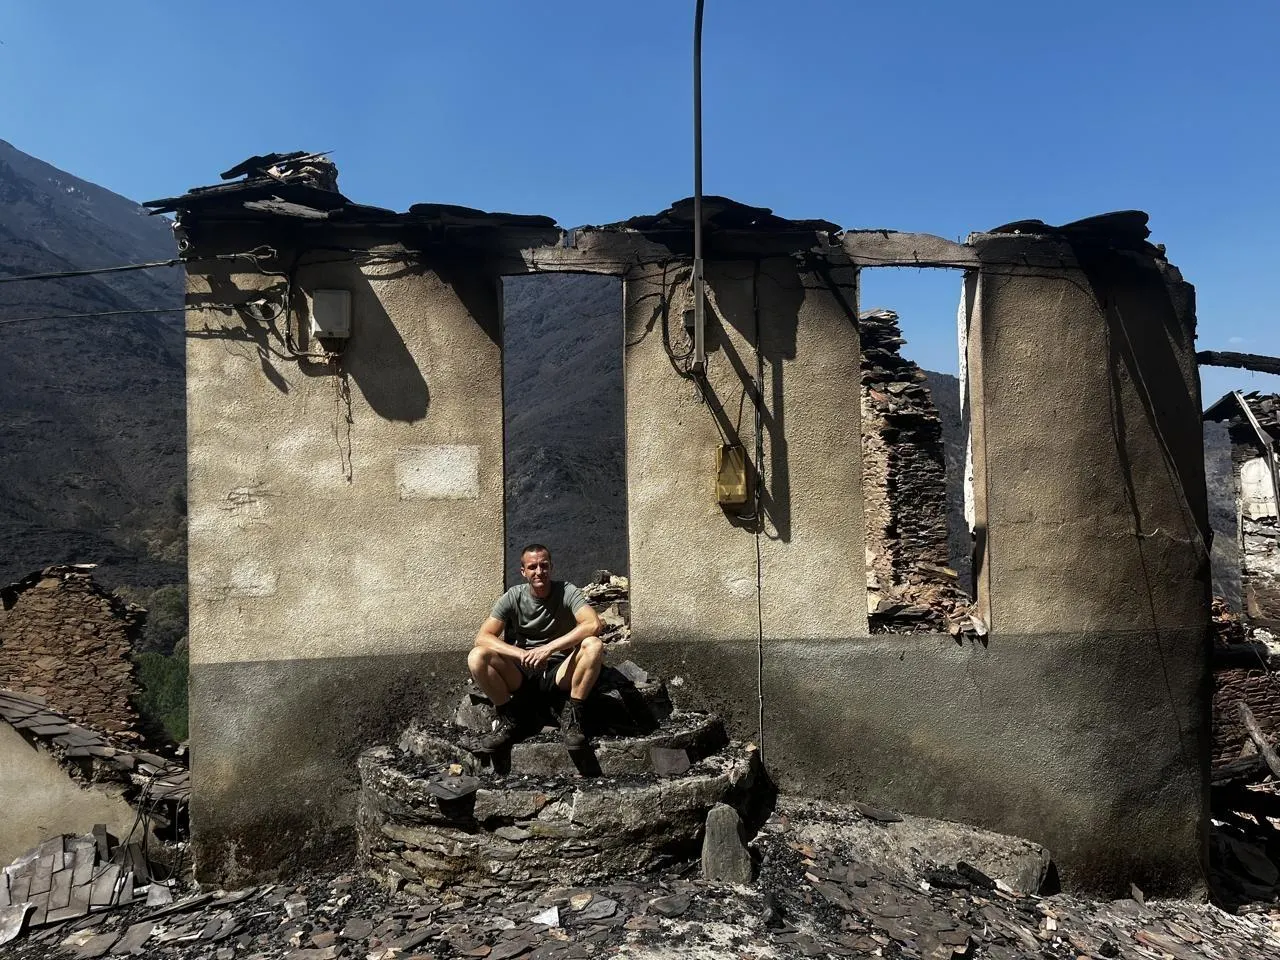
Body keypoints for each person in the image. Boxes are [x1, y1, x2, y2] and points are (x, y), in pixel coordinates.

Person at [467, 543, 603, 751]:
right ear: (523, 571)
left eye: (544, 565)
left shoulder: (567, 591)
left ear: (551, 567)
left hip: (559, 670)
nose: (539, 571)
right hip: (522, 671)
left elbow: (593, 624)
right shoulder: (513, 596)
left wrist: (549, 648)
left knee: (593, 645)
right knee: (477, 656)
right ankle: (509, 720)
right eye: (532, 567)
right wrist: (520, 653)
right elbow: (482, 637)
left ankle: (574, 719)